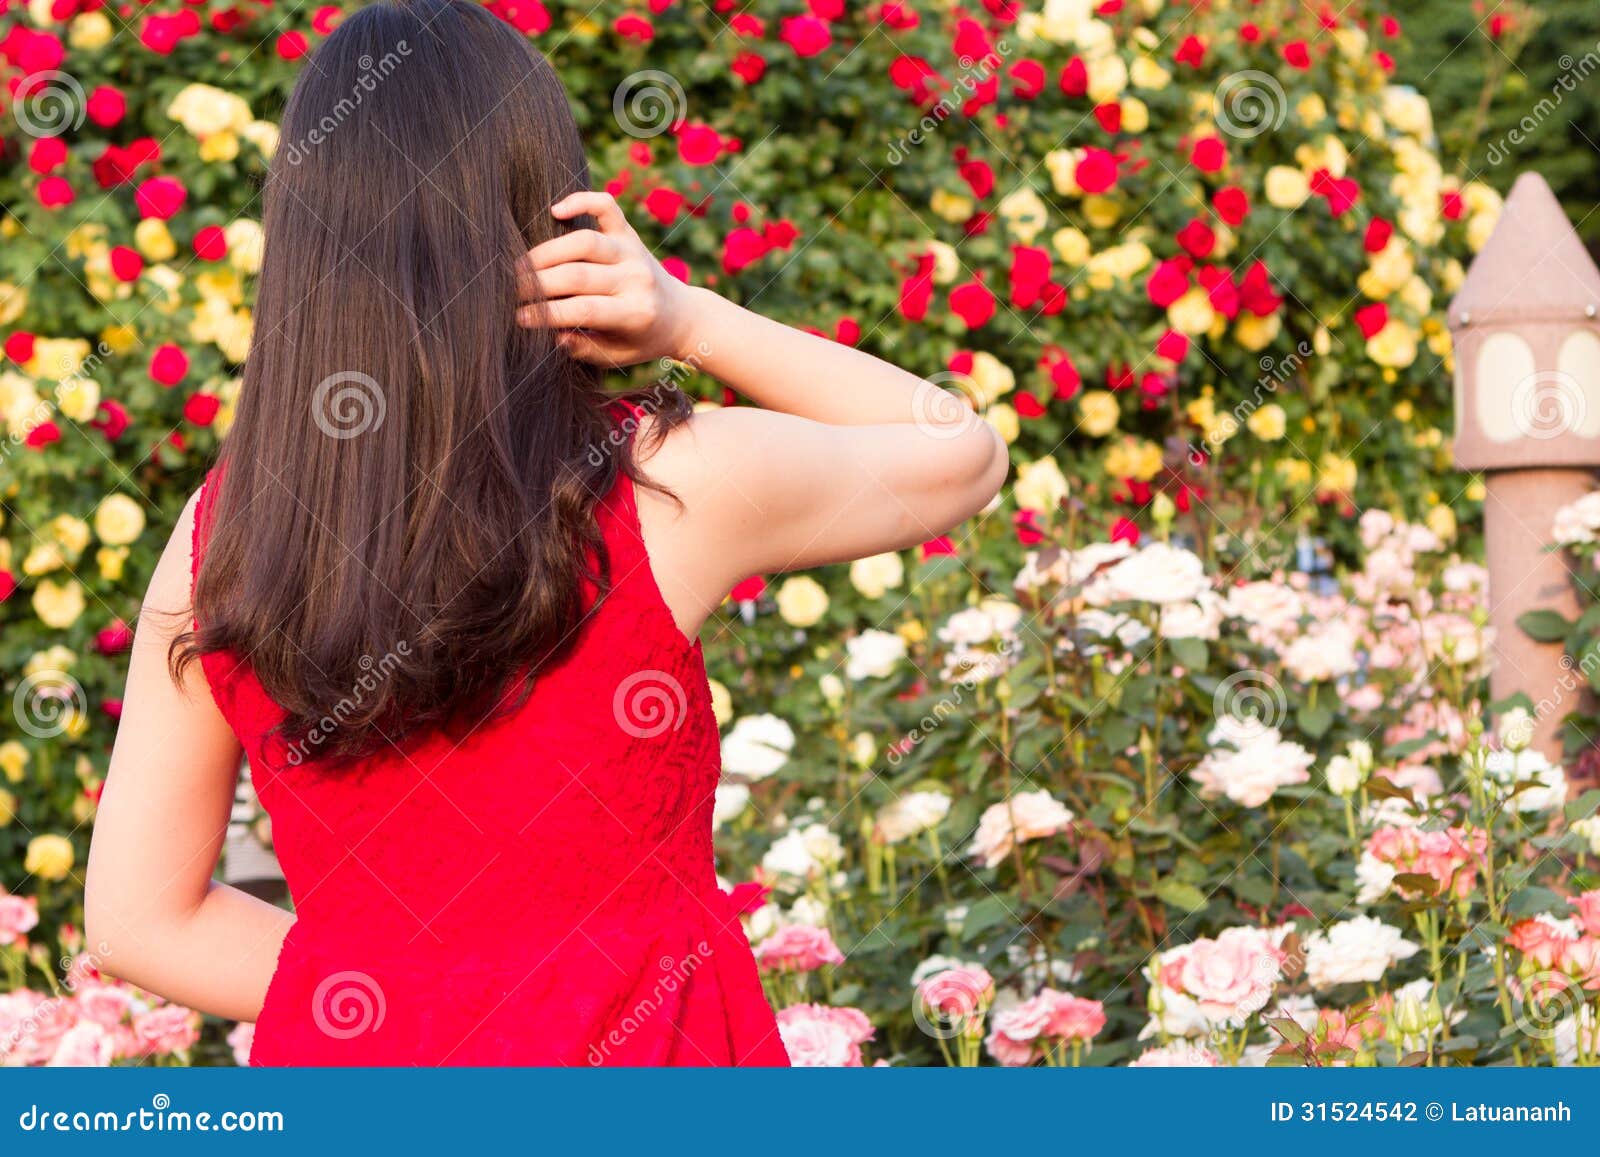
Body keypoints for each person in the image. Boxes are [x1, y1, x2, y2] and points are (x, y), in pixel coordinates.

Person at [85, 0, 1007, 1066]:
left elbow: (137, 918)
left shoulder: (225, 534)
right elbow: (960, 454)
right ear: (544, 218)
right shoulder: (658, 485)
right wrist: (686, 316)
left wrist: (403, 994)